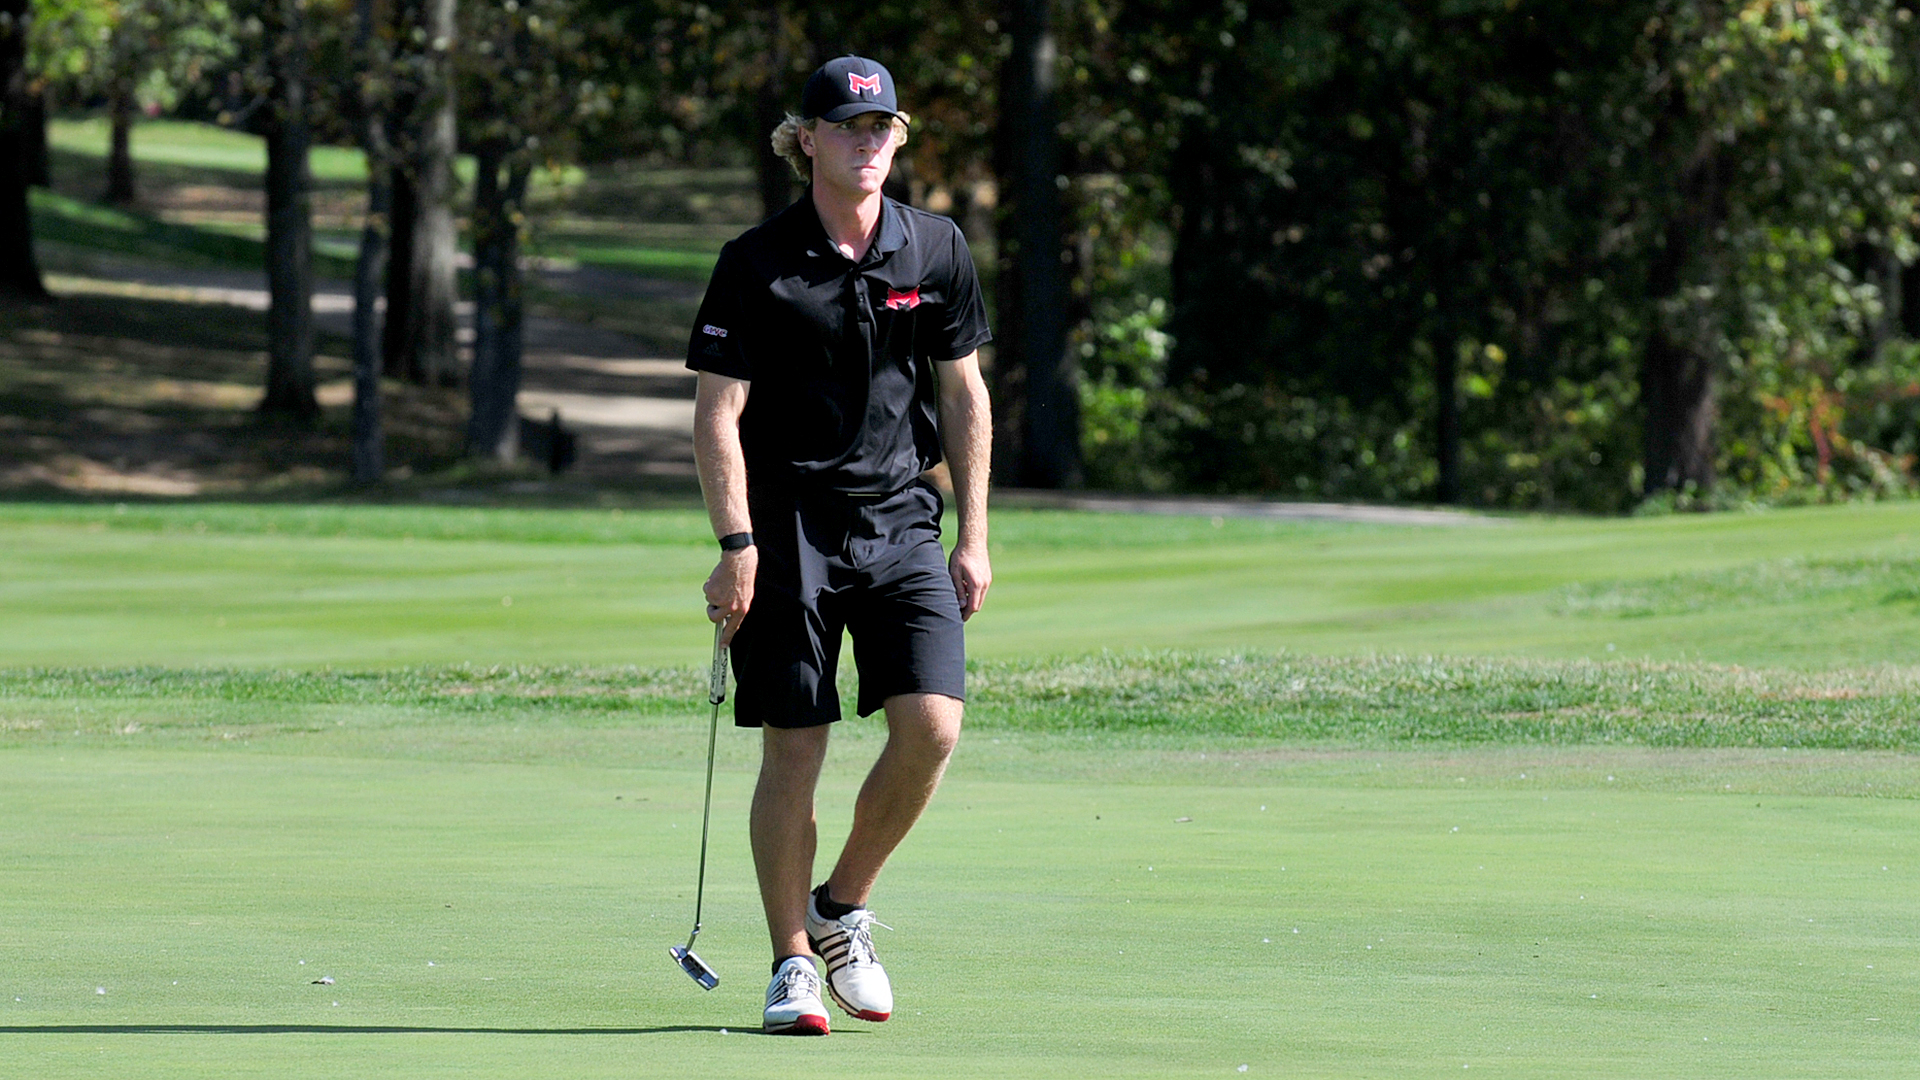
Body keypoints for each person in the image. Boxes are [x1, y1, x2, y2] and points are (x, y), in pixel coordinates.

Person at [686, 55, 993, 1036]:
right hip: (788, 534)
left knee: (934, 726)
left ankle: (838, 906)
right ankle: (789, 964)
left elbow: (963, 392)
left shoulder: (934, 247)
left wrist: (976, 537)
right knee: (797, 750)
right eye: (847, 128)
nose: (867, 144)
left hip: (905, 522)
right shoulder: (756, 261)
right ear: (806, 139)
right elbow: (715, 414)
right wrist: (737, 543)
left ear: (897, 141)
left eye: (882, 129)